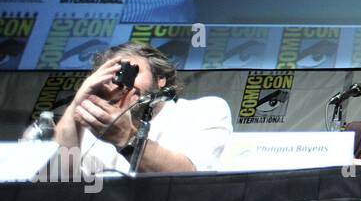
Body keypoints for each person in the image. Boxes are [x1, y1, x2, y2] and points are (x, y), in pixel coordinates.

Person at [51, 42, 231, 174]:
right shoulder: (93, 127)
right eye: (111, 76)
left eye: (131, 72)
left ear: (160, 79)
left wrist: (126, 137)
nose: (122, 83)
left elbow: (190, 178)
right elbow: (56, 179)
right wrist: (77, 103)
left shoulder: (203, 111)